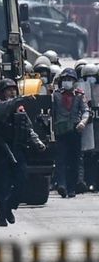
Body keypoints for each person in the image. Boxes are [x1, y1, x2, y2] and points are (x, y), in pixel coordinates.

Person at [0, 79, 46, 226]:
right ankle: (1, 217)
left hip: (17, 149)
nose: (12, 92)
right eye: (8, 90)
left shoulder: (19, 108)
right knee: (1, 185)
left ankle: (10, 206)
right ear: (2, 92)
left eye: (14, 89)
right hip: (2, 150)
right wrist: (21, 99)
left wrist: (37, 142)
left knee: (22, 180)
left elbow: (28, 128)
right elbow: (3, 109)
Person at [52, 68, 90, 198]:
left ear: (74, 82)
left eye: (70, 80)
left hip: (75, 129)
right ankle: (61, 185)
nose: (67, 82)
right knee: (60, 158)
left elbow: (86, 110)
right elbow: (51, 112)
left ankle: (72, 187)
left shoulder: (79, 95)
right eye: (65, 80)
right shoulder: (55, 95)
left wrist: (83, 122)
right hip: (60, 130)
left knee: (74, 159)